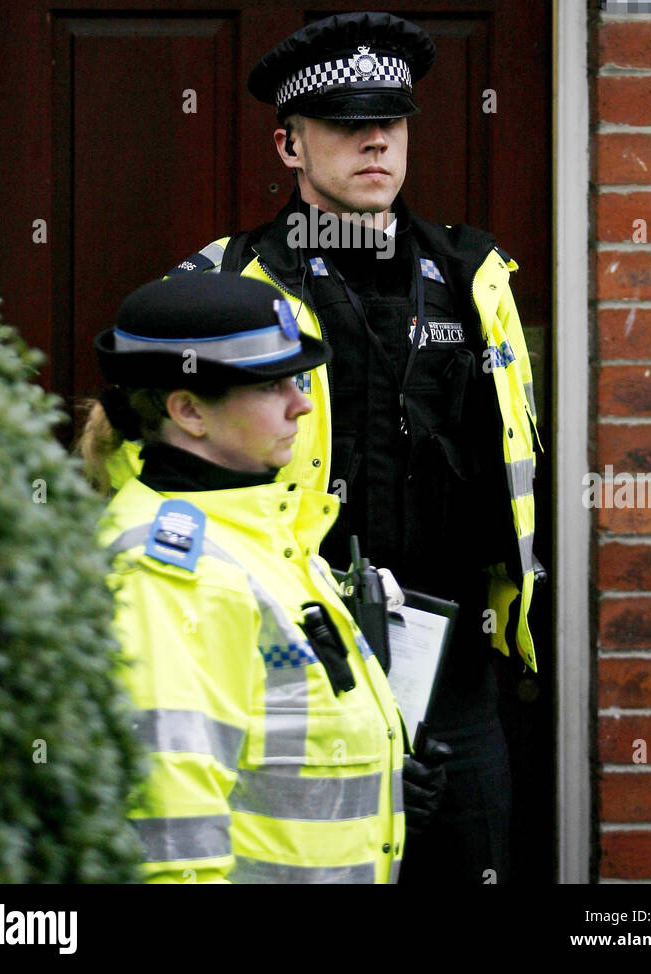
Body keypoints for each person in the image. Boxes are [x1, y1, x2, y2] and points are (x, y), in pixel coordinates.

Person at [128, 11, 541, 883]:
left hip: (452, 657)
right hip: (298, 648)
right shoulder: (225, 283)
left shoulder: (472, 275)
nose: (374, 145)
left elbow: (509, 458)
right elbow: (155, 463)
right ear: (288, 145)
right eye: (346, 127)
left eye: (388, 125)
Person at [79, 269, 446, 884]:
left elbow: (275, 749)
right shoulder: (174, 575)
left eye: (297, 379)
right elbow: (168, 841)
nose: (302, 403)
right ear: (189, 409)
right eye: (273, 385)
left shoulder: (264, 532)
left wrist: (387, 780)